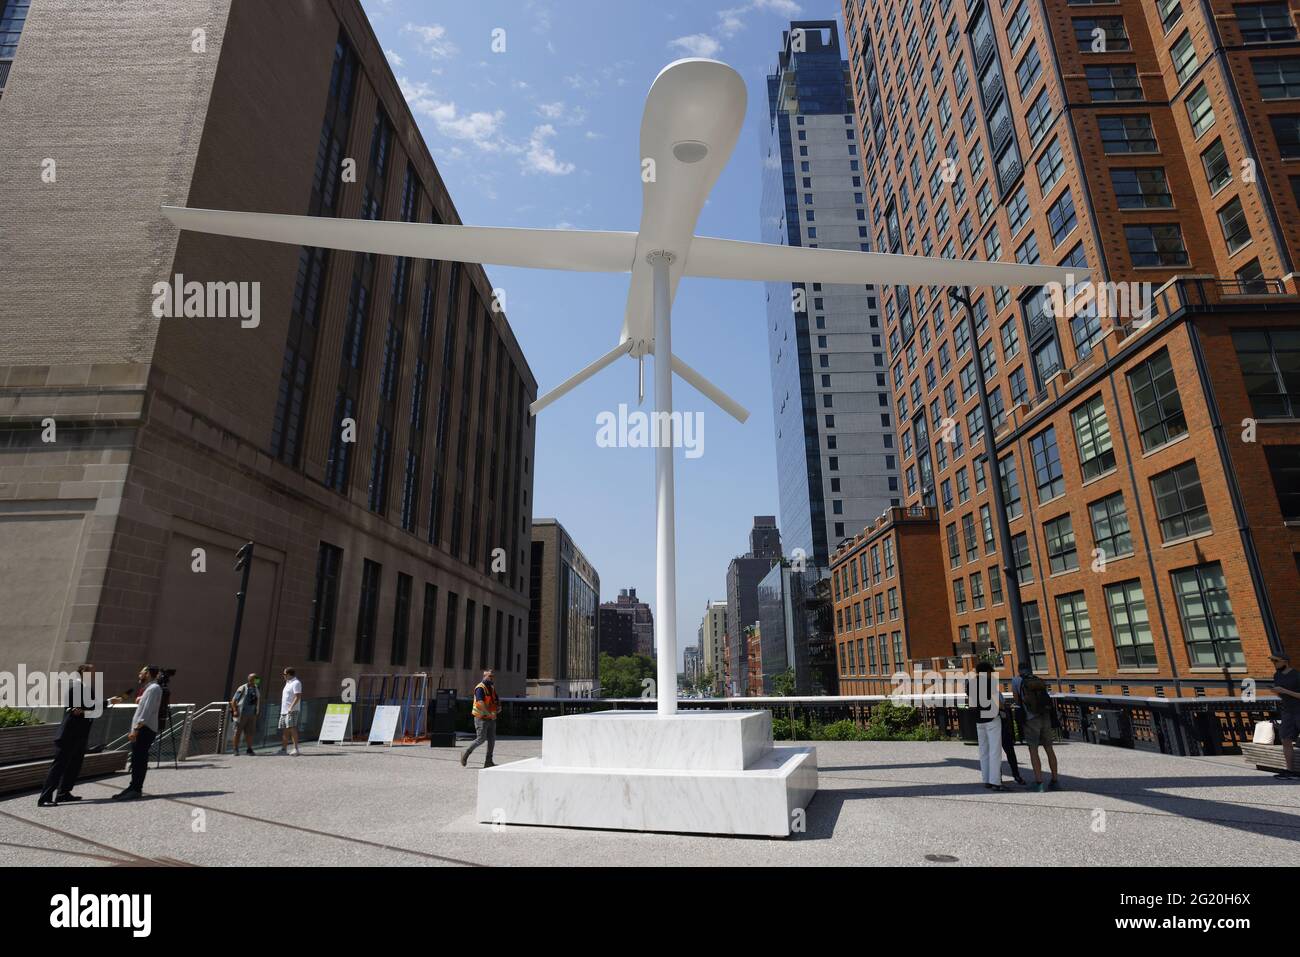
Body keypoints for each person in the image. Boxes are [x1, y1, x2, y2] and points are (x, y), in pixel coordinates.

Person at [38, 664, 100, 807]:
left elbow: (91, 709)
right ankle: (45, 798)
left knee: (74, 766)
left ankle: (63, 793)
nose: (93, 674)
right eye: (91, 672)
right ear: (83, 672)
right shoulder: (76, 687)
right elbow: (78, 709)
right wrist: (106, 703)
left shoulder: (87, 688)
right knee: (59, 766)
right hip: (69, 735)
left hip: (80, 735)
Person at [112, 665, 163, 800]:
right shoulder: (149, 688)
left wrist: (136, 729)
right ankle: (132, 787)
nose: (139, 674)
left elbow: (146, 710)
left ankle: (136, 789)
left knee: (139, 759)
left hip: (144, 729)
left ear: (148, 673)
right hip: (142, 728)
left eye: (141, 672)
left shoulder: (153, 688)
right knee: (136, 759)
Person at [1013, 664, 1060, 792]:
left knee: (1033, 750)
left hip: (1030, 719)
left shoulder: (1016, 680)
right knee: (1049, 748)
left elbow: (1017, 700)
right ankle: (1055, 780)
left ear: (1019, 670)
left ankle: (1039, 782)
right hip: (1045, 716)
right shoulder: (1038, 679)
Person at [966, 661, 1005, 791]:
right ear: (987, 672)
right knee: (995, 750)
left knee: (983, 751)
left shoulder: (970, 684)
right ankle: (995, 781)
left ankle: (986, 779)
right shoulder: (990, 683)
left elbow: (971, 704)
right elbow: (998, 703)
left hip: (979, 720)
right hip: (992, 719)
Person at [460, 669, 499, 769]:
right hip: (481, 718)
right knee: (481, 739)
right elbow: (480, 703)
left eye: (493, 676)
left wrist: (498, 708)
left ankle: (488, 761)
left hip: (491, 718)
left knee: (492, 740)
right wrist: (488, 714)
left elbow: (496, 700)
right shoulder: (480, 688)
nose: (492, 678)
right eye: (490, 676)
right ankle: (466, 752)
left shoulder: (492, 687)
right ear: (484, 676)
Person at [1270, 652, 1300, 780]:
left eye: (1276, 661)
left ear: (1285, 661)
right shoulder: (1277, 675)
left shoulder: (1297, 675)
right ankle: (1290, 770)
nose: (1274, 664)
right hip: (1287, 711)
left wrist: (1285, 691)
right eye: (1272, 661)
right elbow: (1281, 694)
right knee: (1285, 739)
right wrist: (1277, 692)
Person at [999, 690, 1027, 786]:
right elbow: (1000, 705)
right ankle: (1016, 776)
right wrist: (1005, 707)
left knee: (996, 754)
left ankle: (998, 777)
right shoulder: (992, 689)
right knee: (1010, 752)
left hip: (995, 725)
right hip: (1002, 724)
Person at [229, 673, 261, 756]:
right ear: (251, 679)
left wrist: (257, 711)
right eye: (255, 678)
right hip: (241, 713)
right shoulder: (243, 688)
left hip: (252, 714)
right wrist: (235, 711)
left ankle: (249, 749)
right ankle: (235, 749)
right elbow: (234, 701)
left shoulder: (256, 688)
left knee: (250, 732)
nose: (257, 680)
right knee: (238, 732)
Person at [278, 668, 302, 756]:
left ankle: (296, 749)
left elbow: (298, 696)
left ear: (289, 674)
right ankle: (283, 749)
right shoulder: (288, 683)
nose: (283, 675)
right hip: (284, 710)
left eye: (284, 674)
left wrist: (291, 707)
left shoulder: (296, 683)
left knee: (292, 728)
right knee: (285, 730)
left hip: (292, 710)